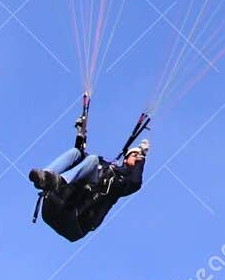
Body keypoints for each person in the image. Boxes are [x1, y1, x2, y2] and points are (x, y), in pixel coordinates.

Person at [29, 104, 150, 242]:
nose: (136, 157)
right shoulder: (105, 166)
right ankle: (45, 178)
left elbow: (135, 183)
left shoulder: (122, 182)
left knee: (92, 159)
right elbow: (79, 162)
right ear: (126, 158)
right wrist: (81, 132)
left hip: (76, 221)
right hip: (57, 206)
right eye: (134, 155)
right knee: (77, 153)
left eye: (138, 156)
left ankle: (59, 181)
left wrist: (142, 158)